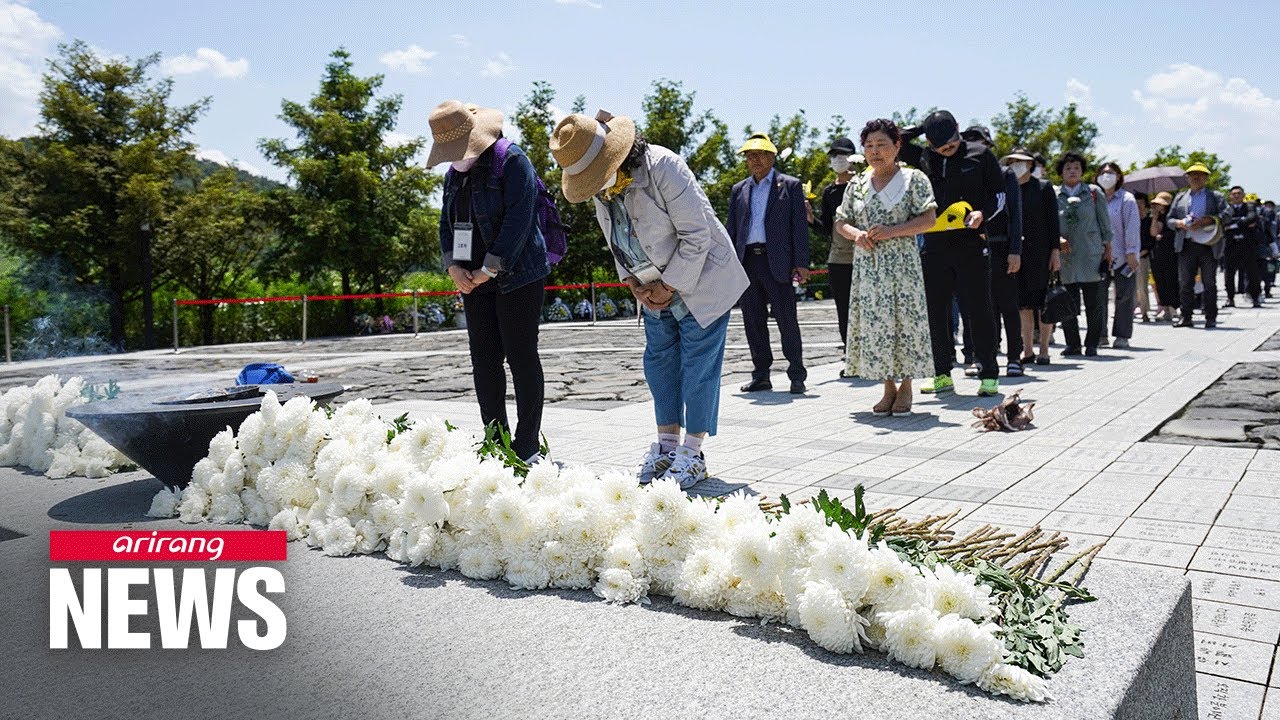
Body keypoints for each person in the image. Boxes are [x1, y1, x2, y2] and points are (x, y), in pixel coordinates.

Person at [550, 111, 749, 490]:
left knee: (697, 367)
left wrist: (668, 285)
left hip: (699, 282)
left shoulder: (665, 167)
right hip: (651, 289)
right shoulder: (601, 187)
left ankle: (692, 453)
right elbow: (615, 239)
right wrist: (633, 283)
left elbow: (697, 235)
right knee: (659, 366)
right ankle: (667, 444)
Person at [431, 100, 550, 463]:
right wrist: (454, 267)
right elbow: (445, 225)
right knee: (484, 361)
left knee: (521, 357)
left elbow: (520, 219)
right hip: (473, 281)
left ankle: (528, 445)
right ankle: (495, 442)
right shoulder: (454, 174)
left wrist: (489, 268)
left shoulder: (512, 160)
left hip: (518, 276)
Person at [834, 119, 937, 415]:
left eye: (882, 145)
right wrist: (858, 235)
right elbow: (841, 221)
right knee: (876, 325)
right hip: (869, 265)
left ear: (897, 146)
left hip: (902, 264)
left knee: (903, 321)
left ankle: (906, 386)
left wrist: (893, 230)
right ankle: (887, 387)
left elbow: (928, 220)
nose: (875, 152)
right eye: (869, 146)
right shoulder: (857, 184)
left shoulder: (914, 179)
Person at [899, 110, 1002, 397]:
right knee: (935, 312)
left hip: (970, 242)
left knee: (978, 310)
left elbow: (999, 194)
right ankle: (941, 373)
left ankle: (989, 373)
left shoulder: (981, 155)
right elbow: (898, 139)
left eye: (951, 145)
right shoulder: (923, 157)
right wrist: (925, 127)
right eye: (939, 147)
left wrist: (984, 212)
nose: (946, 151)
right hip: (933, 245)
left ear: (959, 130)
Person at [728, 132, 810, 394]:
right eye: (750, 156)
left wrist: (801, 263)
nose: (754, 160)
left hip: (779, 262)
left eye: (760, 154)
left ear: (772, 156)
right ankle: (761, 374)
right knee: (753, 321)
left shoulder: (790, 185)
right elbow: (732, 229)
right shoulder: (739, 189)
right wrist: (728, 264)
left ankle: (796, 374)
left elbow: (799, 228)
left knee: (787, 319)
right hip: (747, 261)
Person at [962, 125, 1024, 376]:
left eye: (980, 142)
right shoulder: (962, 173)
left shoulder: (1005, 173)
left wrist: (1015, 250)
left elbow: (1015, 214)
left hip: (1001, 244)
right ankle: (979, 357)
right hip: (972, 247)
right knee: (976, 306)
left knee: (1008, 304)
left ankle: (1014, 357)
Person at [1001, 146, 1061, 366]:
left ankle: (1044, 349)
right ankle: (1027, 350)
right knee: (1023, 305)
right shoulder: (1007, 188)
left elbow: (1054, 222)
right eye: (1013, 161)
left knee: (1043, 302)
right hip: (1016, 253)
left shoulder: (1043, 187)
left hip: (1041, 252)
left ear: (1030, 164)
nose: (1017, 165)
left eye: (1021, 161)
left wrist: (1055, 251)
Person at [1054, 152, 1113, 357]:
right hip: (1066, 256)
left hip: (1091, 253)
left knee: (1094, 302)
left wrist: (1108, 250)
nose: (1073, 171)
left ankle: (1092, 343)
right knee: (1067, 301)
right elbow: (1049, 223)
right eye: (1068, 168)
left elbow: (1105, 224)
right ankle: (1073, 344)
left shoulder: (1094, 192)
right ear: (1061, 172)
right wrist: (1057, 240)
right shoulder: (1054, 193)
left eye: (1077, 168)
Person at [807, 137, 858, 350]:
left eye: (843, 155)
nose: (838, 159)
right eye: (834, 155)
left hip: (864, 253)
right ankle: (850, 351)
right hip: (838, 257)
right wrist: (810, 218)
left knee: (866, 307)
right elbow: (826, 228)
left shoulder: (863, 184)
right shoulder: (829, 191)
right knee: (843, 308)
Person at [1167, 163, 1227, 328]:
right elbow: (1169, 220)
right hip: (1186, 244)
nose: (1195, 177)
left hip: (1208, 245)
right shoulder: (1180, 197)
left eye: (1200, 174)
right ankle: (1186, 316)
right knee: (1185, 283)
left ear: (1206, 178)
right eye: (1192, 174)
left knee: (1209, 283)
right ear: (1187, 177)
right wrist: (1179, 223)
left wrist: (1209, 219)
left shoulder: (1215, 196)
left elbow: (1227, 214)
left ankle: (1210, 317)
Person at [1098, 162, 1141, 349]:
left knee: (1124, 296)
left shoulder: (1127, 199)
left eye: (1111, 173)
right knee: (1098, 297)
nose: (1106, 176)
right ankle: (1100, 335)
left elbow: (1132, 227)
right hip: (1098, 256)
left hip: (1123, 255)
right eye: (1103, 173)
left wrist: (1132, 252)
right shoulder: (1094, 198)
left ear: (1118, 176)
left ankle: (1122, 335)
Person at [1222, 185, 1264, 309]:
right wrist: (1243, 223)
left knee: (1252, 273)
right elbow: (1225, 220)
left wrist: (1235, 225)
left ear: (1243, 195)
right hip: (1231, 245)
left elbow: (1252, 218)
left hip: (1248, 245)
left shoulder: (1249, 206)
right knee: (1229, 274)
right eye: (1233, 193)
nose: (1236, 195)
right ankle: (1230, 298)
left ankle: (1255, 297)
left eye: (1239, 193)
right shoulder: (1226, 208)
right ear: (1230, 196)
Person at [1148, 191, 1181, 322]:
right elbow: (1153, 233)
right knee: (1159, 280)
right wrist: (1155, 218)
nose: (1158, 206)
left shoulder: (1172, 217)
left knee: (1171, 279)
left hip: (1171, 252)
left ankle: (1175, 306)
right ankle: (1165, 307)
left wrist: (1164, 236)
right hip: (1157, 253)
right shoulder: (1156, 217)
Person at [1134, 192, 1154, 323]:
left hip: (1142, 257)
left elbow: (1150, 242)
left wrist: (1141, 253)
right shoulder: (1130, 219)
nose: (1138, 205)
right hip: (1128, 256)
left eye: (1140, 202)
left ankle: (1144, 311)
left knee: (1142, 286)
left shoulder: (1148, 221)